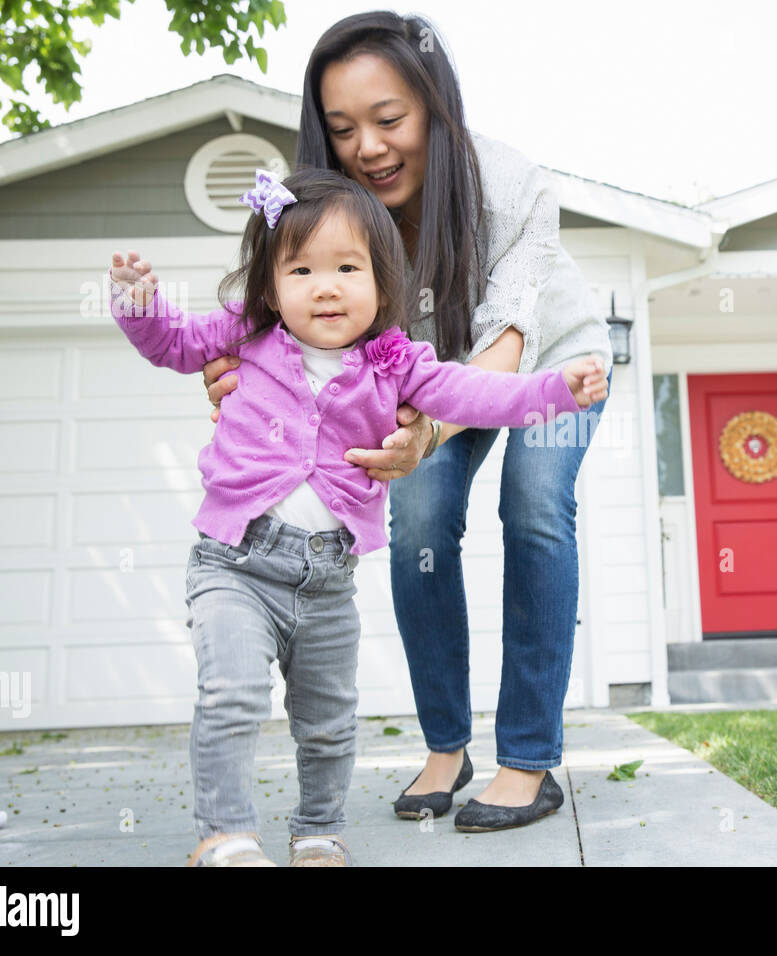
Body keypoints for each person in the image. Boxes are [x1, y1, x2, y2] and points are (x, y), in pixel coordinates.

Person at [108, 167, 608, 866]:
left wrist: (554, 390)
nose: (326, 285)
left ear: (382, 282)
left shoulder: (397, 362)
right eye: (302, 268)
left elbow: (475, 395)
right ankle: (224, 834)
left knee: (328, 723)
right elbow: (173, 343)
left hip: (325, 581)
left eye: (348, 266)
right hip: (235, 564)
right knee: (232, 694)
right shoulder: (248, 334)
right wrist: (138, 305)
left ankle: (318, 831)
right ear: (272, 284)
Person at [202, 12, 614, 832]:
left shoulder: (511, 185)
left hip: (546, 365)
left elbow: (506, 343)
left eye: (390, 120)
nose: (370, 148)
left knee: (534, 507)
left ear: (434, 105)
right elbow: (271, 312)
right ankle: (447, 746)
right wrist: (238, 369)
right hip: (417, 384)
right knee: (421, 512)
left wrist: (425, 432)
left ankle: (529, 759)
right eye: (344, 128)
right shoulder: (326, 205)